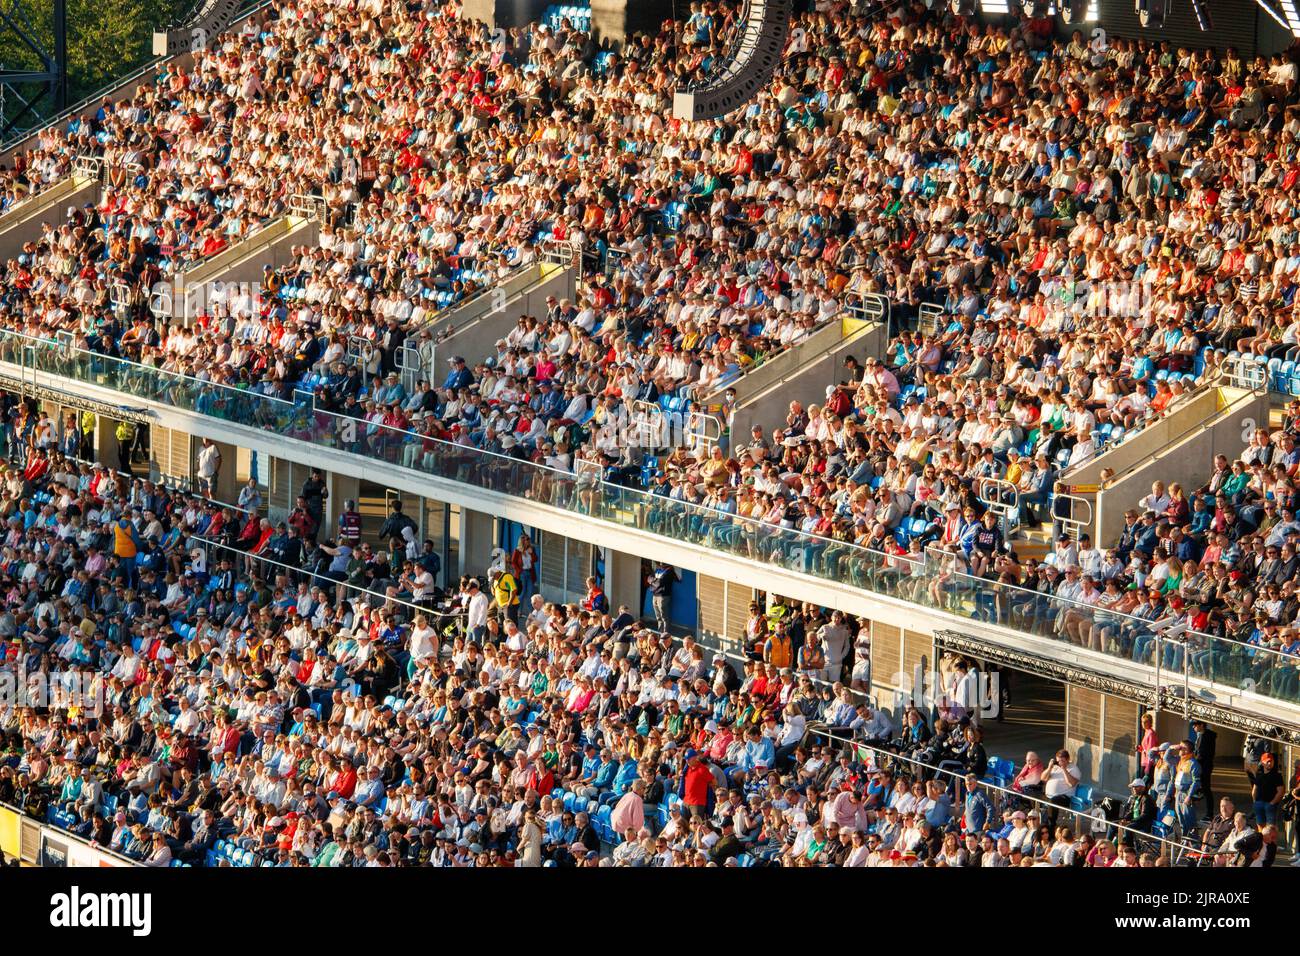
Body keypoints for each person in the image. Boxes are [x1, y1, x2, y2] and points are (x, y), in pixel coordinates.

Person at [1247, 750, 1285, 827]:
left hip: (1270, 805)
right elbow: (1255, 789)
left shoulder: (1277, 776)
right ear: (1262, 762)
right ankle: (1261, 839)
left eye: (1271, 761)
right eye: (1267, 761)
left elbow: (1281, 791)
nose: (1269, 763)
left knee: (1270, 827)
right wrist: (1255, 802)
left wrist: (1272, 803)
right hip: (1259, 803)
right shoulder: (1259, 775)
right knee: (1260, 825)